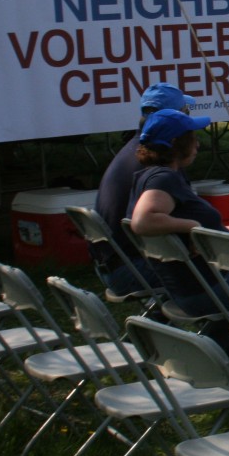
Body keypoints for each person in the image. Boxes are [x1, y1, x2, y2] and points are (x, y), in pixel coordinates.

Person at [126, 109, 229, 356]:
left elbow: (199, 234)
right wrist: (191, 226)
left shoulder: (147, 177)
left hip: (190, 287)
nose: (198, 143)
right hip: (208, 288)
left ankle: (216, 352)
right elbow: (142, 221)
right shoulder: (163, 180)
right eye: (192, 137)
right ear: (175, 144)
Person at [92, 82, 192, 297]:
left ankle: (159, 326)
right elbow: (194, 230)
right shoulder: (162, 163)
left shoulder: (134, 150)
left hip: (111, 264)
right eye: (186, 113)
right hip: (133, 269)